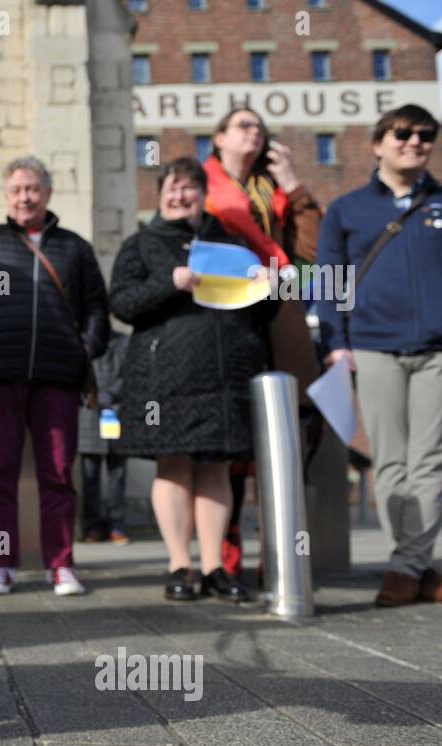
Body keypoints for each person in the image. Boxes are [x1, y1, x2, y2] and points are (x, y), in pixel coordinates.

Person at [315, 104, 442, 608]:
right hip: (373, 347)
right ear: (377, 143)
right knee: (391, 460)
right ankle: (418, 565)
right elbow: (330, 282)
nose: (415, 142)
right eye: (402, 133)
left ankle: (406, 568)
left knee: (432, 459)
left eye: (425, 135)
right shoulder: (347, 210)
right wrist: (335, 341)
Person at [111, 158, 276, 603]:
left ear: (203, 194)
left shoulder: (232, 244)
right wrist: (170, 283)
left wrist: (267, 285)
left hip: (225, 374)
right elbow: (122, 304)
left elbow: (262, 313)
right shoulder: (141, 244)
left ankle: (215, 568)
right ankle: (179, 564)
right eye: (172, 188)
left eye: (188, 188)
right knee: (174, 465)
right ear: (161, 194)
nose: (180, 196)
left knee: (217, 466)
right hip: (166, 375)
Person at [0, 156, 108, 596]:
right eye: (17, 189)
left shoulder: (74, 247)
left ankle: (61, 565)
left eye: (33, 188)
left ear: (48, 193)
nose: (25, 197)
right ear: (7, 194)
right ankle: (2, 565)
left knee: (58, 474)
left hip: (58, 377)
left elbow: (97, 304)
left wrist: (87, 348)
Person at [203, 107, 323, 581]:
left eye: (259, 128)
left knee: (286, 443)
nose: (254, 133)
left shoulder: (272, 191)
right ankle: (226, 561)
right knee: (230, 447)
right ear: (218, 138)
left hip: (278, 321)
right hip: (226, 322)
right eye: (242, 125)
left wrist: (293, 185)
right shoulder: (204, 188)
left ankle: (279, 561)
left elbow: (310, 252)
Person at [78, 329, 130, 545]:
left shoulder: (124, 342)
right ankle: (92, 526)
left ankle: (116, 525)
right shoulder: (82, 341)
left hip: (117, 413)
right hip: (89, 414)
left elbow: (129, 374)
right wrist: (94, 395)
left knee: (117, 475)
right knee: (89, 477)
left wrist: (110, 395)